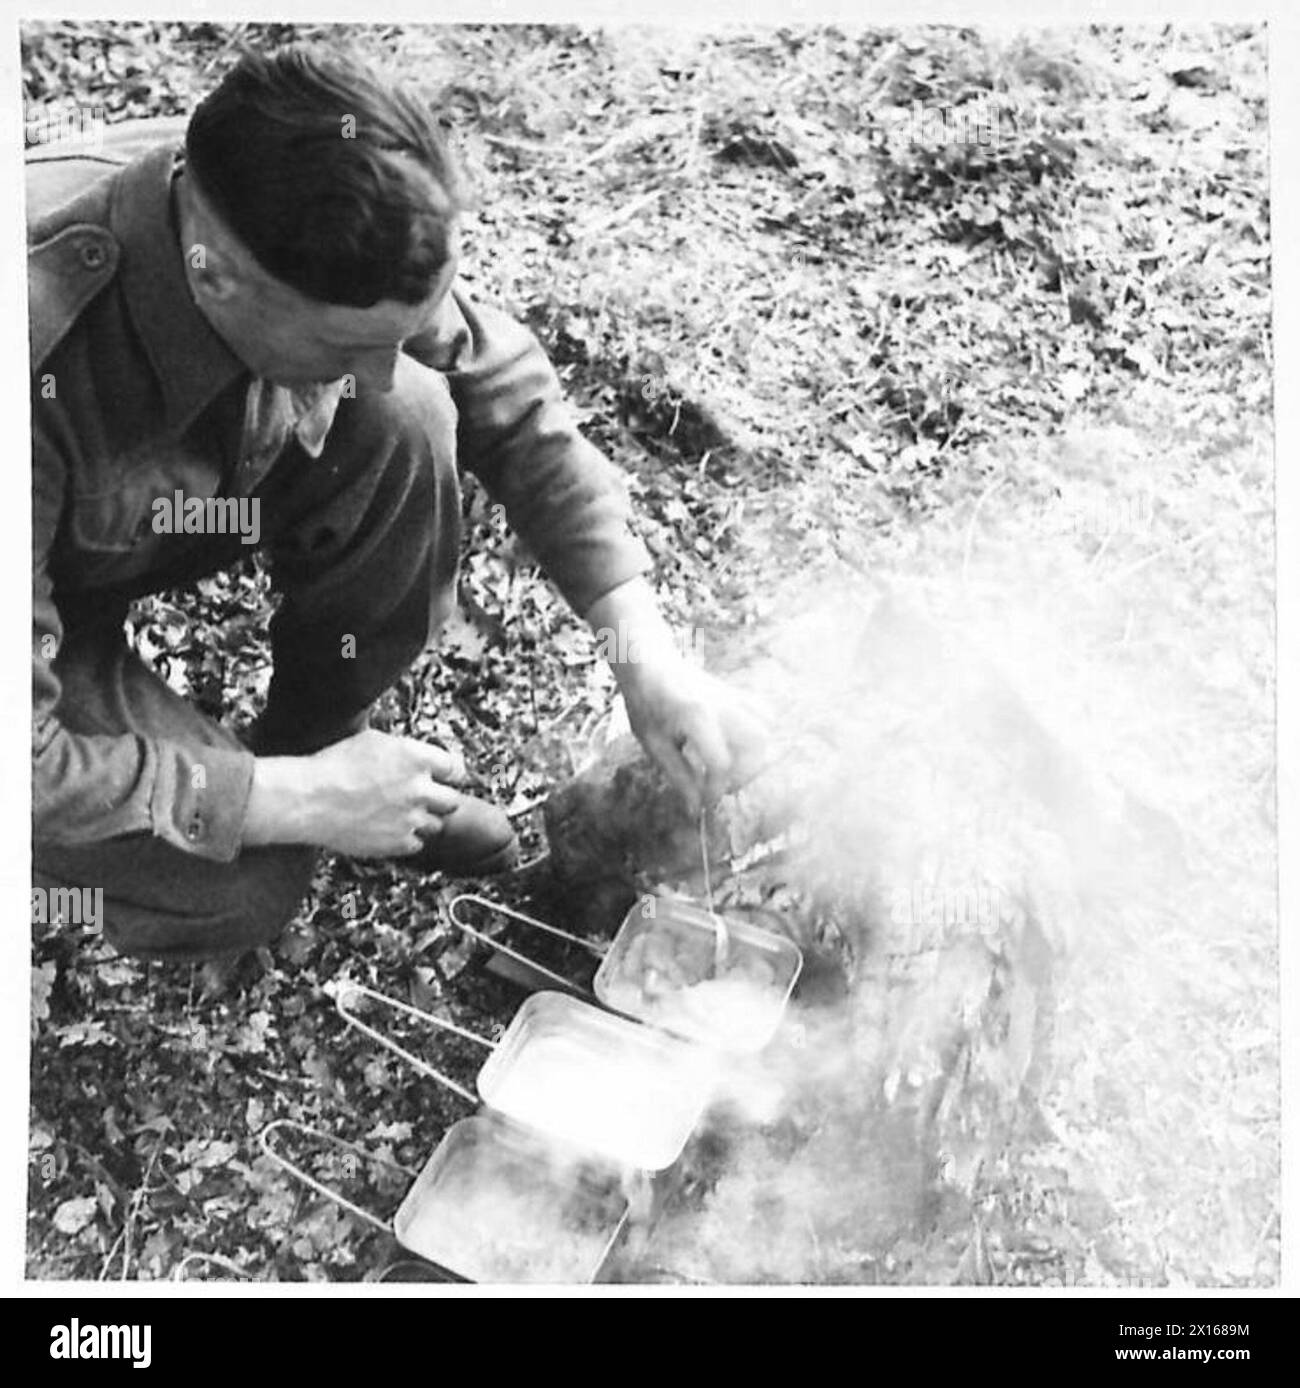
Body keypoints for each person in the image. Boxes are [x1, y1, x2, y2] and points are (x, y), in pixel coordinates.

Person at [30, 44, 766, 961]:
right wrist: (290, 803)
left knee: (409, 414)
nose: (382, 365)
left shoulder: (304, 212)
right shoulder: (41, 346)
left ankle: (326, 749)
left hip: (101, 525)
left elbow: (510, 402)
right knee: (235, 891)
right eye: (349, 346)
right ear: (212, 273)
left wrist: (645, 652)